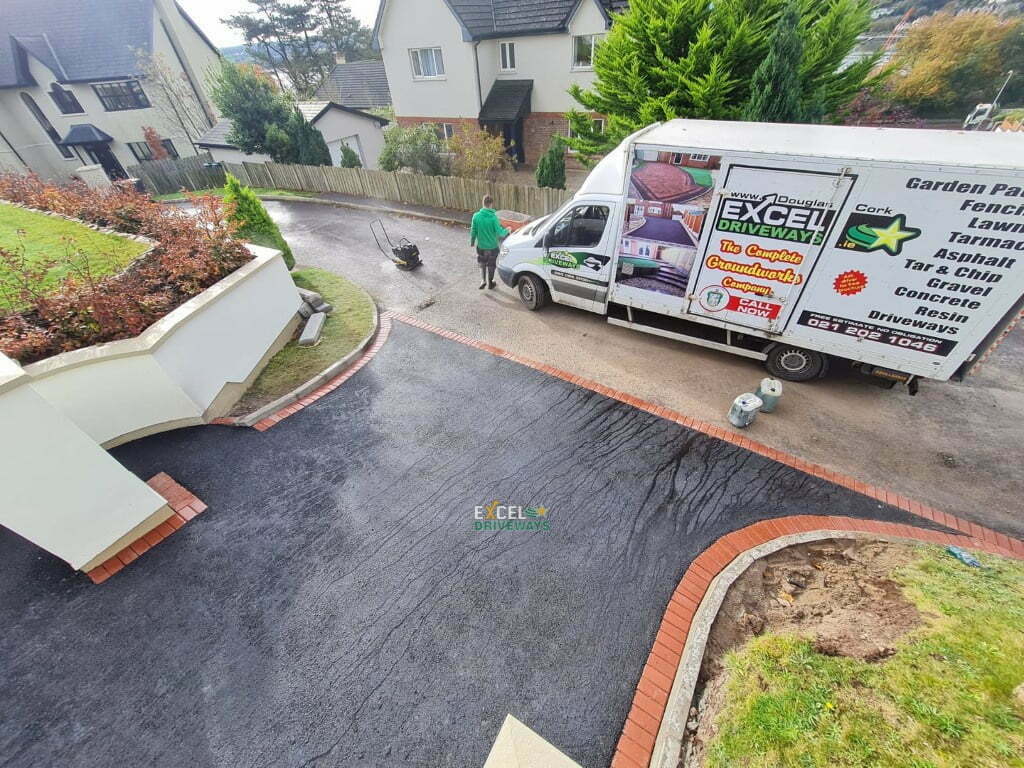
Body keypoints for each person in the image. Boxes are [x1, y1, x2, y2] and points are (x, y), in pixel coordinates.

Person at [470, 195, 509, 290]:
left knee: (482, 263)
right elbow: (500, 233)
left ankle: (483, 280)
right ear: (491, 204)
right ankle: (490, 283)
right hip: (492, 247)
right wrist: (508, 230)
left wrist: (472, 242)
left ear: (483, 203)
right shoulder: (493, 218)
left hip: (481, 247)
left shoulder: (476, 216)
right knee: (491, 265)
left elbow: (473, 231)